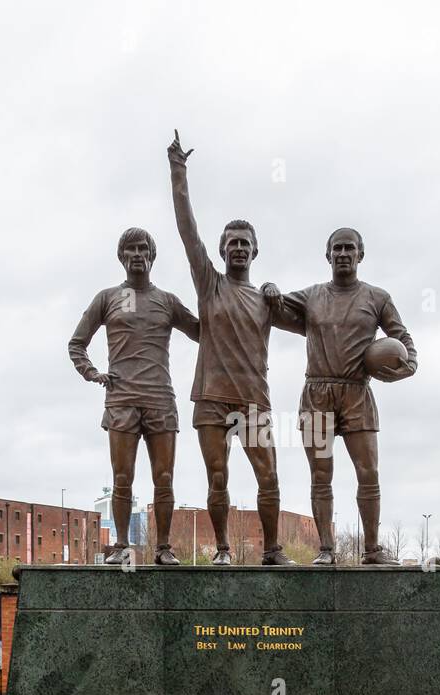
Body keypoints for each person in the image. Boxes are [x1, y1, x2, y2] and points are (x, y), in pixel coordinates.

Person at [167, 129, 294, 566]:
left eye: (245, 243)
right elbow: (187, 232)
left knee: (269, 475)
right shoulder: (210, 284)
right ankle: (222, 549)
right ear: (221, 250)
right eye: (231, 242)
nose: (238, 247)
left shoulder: (267, 298)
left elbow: (314, 321)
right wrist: (178, 171)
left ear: (255, 251)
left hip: (254, 399)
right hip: (211, 399)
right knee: (216, 477)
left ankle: (273, 550)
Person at [263, 227, 417, 564]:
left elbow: (405, 343)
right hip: (317, 396)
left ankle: (373, 549)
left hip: (357, 395)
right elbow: (274, 307)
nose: (343, 254)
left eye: (349, 248)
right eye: (337, 248)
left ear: (360, 254)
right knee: (320, 475)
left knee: (369, 472)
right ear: (328, 255)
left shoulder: (378, 298)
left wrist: (403, 370)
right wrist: (269, 289)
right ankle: (326, 549)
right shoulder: (312, 296)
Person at [70, 227, 199, 565]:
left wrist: (222, 307)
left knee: (164, 478)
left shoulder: (167, 301)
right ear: (122, 256)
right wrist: (92, 372)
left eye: (143, 248)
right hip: (121, 401)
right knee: (122, 478)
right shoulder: (108, 298)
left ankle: (164, 547)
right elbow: (77, 343)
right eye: (131, 249)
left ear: (152, 256)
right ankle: (123, 546)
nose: (138, 254)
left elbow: (203, 332)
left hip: (160, 400)